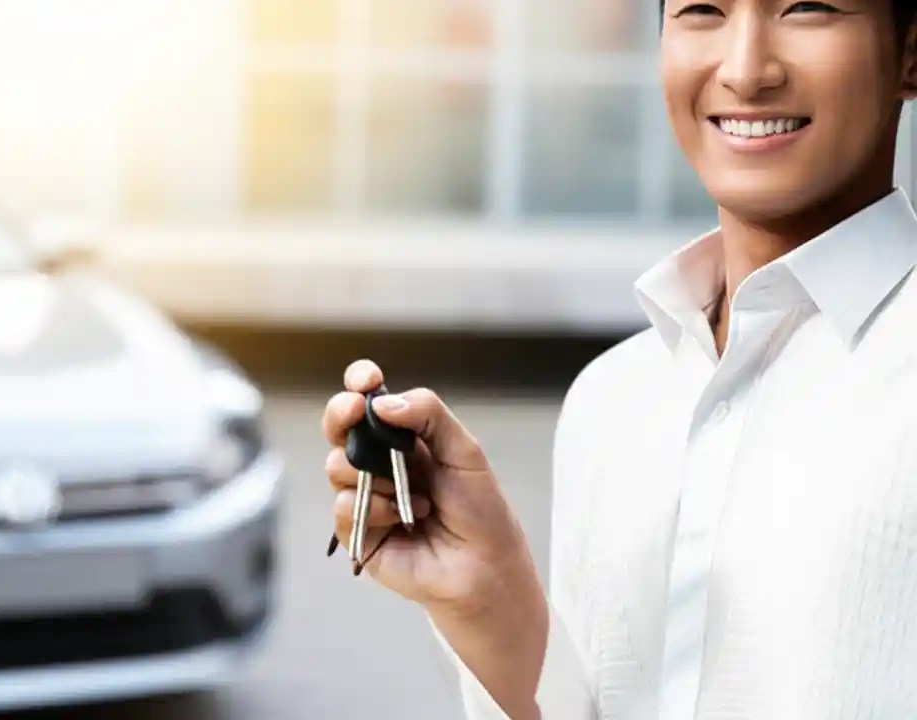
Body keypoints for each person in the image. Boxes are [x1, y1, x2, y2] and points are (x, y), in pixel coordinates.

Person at [321, 1, 917, 717]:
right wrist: (488, 597)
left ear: (909, 51)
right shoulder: (611, 398)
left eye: (809, 7)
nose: (746, 69)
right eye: (702, 10)